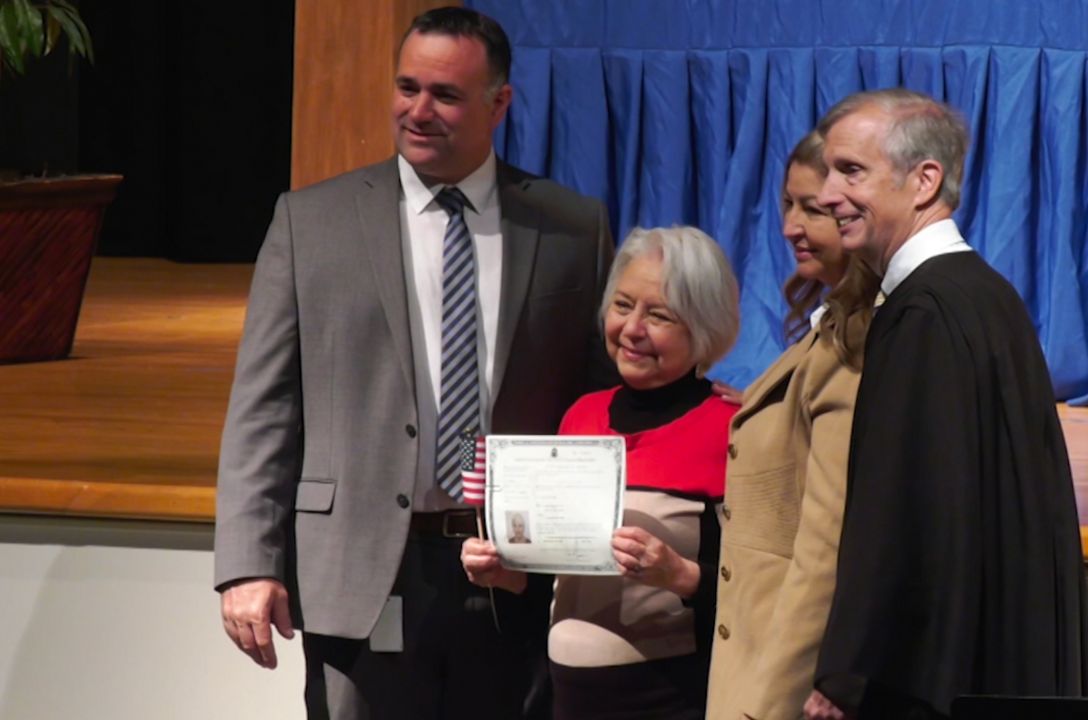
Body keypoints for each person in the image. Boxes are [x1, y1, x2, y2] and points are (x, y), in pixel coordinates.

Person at [213, 7, 614, 719]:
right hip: (364, 572)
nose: (418, 111)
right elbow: (263, 410)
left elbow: (597, 401)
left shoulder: (568, 226)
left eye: (446, 95)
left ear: (500, 103)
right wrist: (248, 562)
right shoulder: (313, 222)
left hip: (511, 575)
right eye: (407, 88)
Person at [804, 88, 1088, 720]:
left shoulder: (924, 313)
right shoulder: (983, 294)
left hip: (926, 685)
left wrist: (849, 674)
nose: (829, 195)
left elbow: (904, 512)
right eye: (830, 171)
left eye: (851, 171)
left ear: (925, 180)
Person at [462, 225, 740, 720]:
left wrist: (679, 575)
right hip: (566, 699)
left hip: (672, 699)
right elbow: (557, 586)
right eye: (622, 305)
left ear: (704, 328)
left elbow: (760, 594)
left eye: (659, 315)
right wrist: (508, 576)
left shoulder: (733, 430)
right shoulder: (580, 416)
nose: (632, 328)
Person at [705, 131, 879, 720]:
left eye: (813, 209)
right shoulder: (828, 328)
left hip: (779, 676)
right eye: (788, 204)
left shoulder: (857, 346)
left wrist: (771, 701)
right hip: (755, 650)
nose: (789, 226)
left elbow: (823, 548)